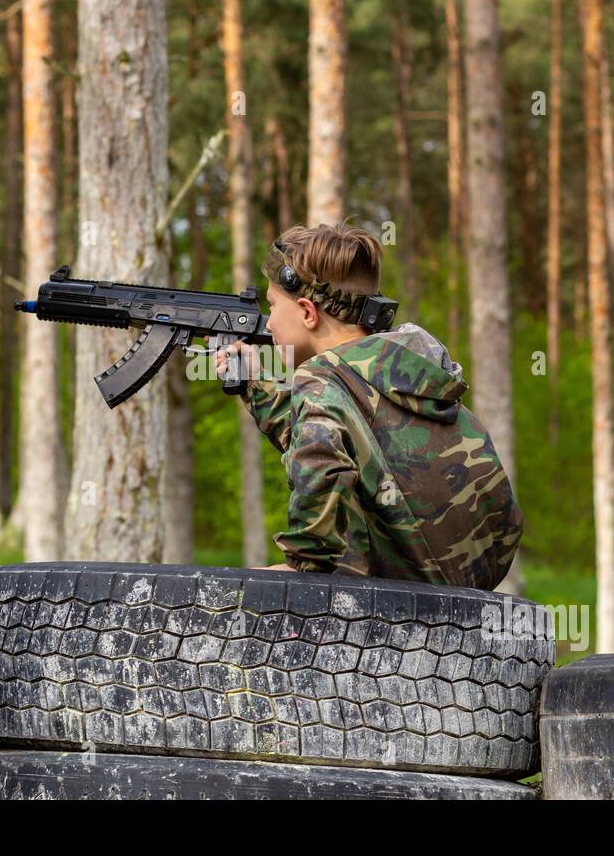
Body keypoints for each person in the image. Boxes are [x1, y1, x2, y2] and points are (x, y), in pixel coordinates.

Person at [212, 222, 522, 590]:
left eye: (274, 305)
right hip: (465, 593)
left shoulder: (319, 380)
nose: (271, 323)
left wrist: (294, 566)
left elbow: (317, 524)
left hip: (398, 611)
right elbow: (329, 437)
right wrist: (256, 384)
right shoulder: (403, 371)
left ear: (308, 312)